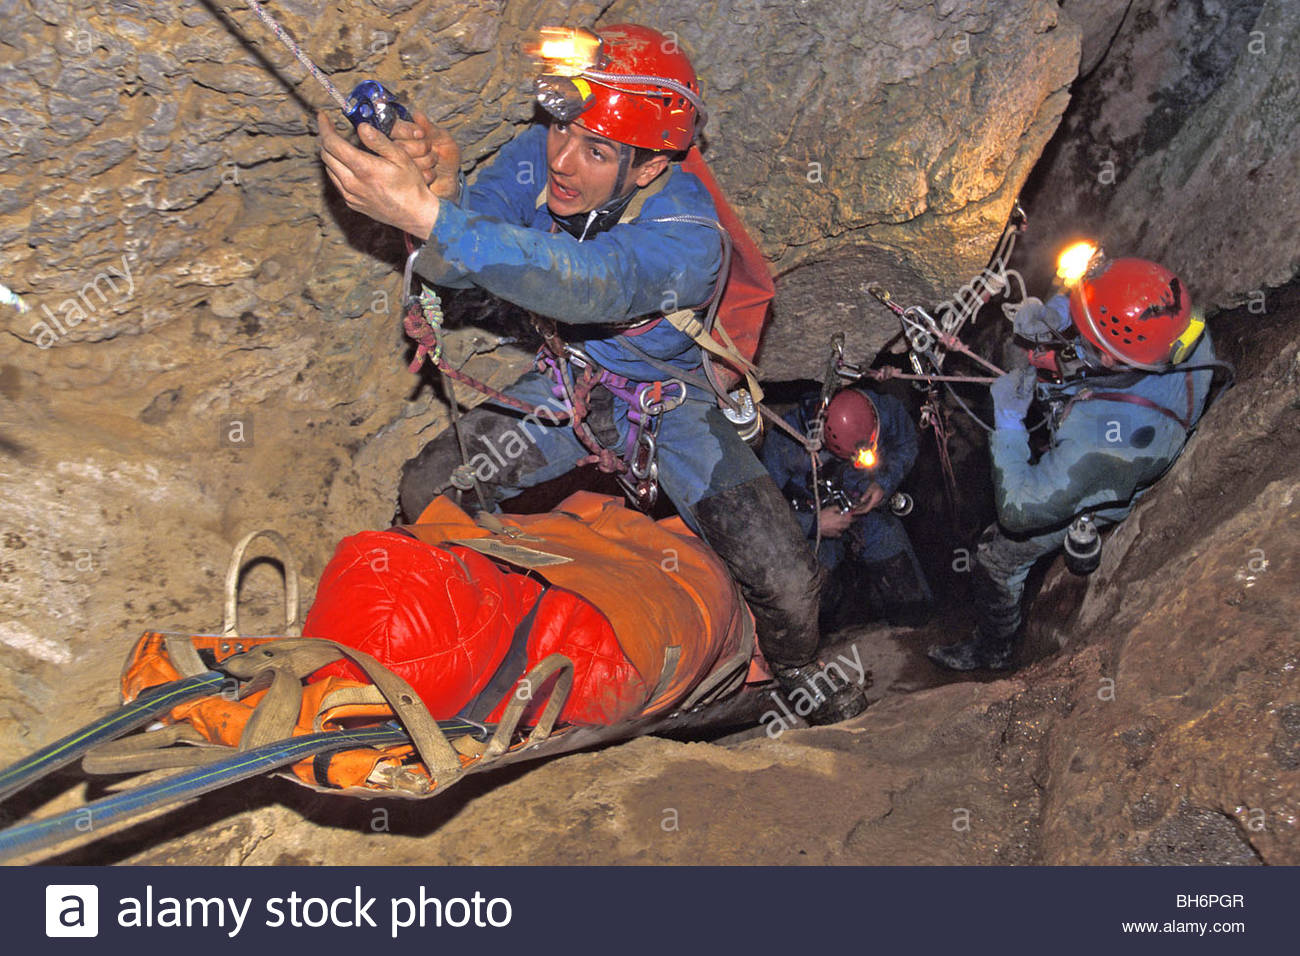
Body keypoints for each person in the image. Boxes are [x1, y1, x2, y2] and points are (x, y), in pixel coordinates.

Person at [318, 23, 867, 722]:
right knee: (433, 484)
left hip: (672, 410)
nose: (563, 162)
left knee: (785, 577)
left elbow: (589, 282)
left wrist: (427, 215)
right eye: (561, 128)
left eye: (597, 149)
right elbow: (456, 261)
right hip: (573, 383)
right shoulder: (537, 158)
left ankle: (796, 682)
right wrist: (444, 198)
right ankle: (474, 626)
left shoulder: (689, 236)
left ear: (646, 167)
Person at [928, 256, 1217, 671]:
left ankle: (993, 650)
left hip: (1108, 471)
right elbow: (1100, 297)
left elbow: (1019, 512)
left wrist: (1009, 424)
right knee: (1027, 353)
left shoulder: (1100, 441)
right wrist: (1054, 313)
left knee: (997, 555)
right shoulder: (1174, 321)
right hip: (1125, 394)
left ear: (1112, 358)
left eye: (1088, 335)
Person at [762, 386, 932, 631]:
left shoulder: (882, 409)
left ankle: (912, 630)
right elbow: (765, 515)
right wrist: (814, 524)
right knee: (812, 599)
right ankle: (832, 633)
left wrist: (883, 484)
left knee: (908, 592)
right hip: (815, 525)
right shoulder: (783, 444)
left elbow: (906, 444)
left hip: (867, 511)